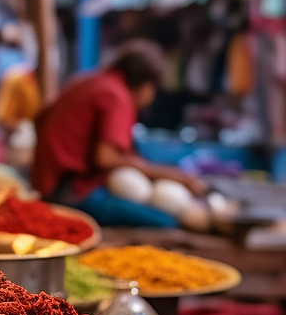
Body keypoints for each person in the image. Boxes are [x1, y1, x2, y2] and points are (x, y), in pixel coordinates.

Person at [33, 42, 205, 227]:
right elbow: (106, 158)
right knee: (167, 222)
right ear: (147, 86)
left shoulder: (89, 80)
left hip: (47, 185)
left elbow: (39, 118)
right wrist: (173, 176)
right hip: (69, 193)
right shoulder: (117, 95)